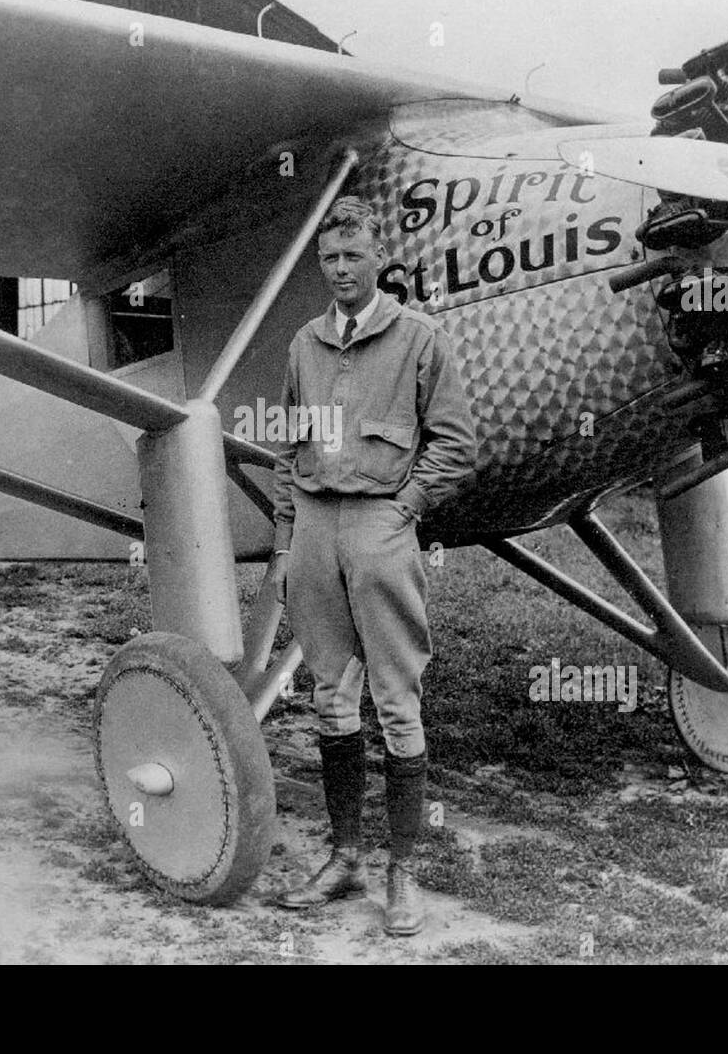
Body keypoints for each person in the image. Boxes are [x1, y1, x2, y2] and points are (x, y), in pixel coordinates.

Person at [270, 196, 478, 936]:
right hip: (317, 530)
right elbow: (289, 449)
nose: (341, 271)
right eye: (329, 259)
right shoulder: (304, 344)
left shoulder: (419, 340)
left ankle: (403, 872)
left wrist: (406, 507)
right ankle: (345, 855)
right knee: (331, 696)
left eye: (353, 256)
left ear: (379, 259)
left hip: (382, 526)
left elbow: (454, 444)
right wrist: (286, 538)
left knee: (396, 702)